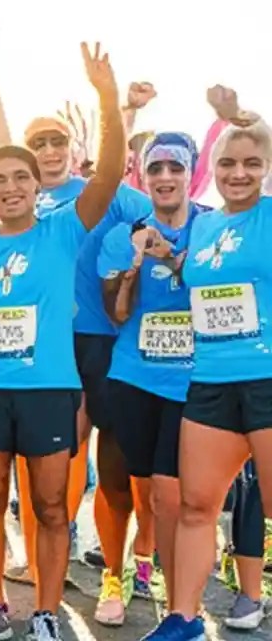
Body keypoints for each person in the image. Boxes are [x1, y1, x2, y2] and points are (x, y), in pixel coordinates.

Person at [0, 41, 126, 641]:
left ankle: (45, 612)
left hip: (48, 387)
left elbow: (110, 172)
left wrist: (107, 100)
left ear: (37, 186)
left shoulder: (63, 230)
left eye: (22, 177)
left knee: (50, 508)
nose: (12, 186)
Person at [143, 89, 272, 641]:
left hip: (267, 378)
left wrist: (242, 119)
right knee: (196, 505)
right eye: (227, 162)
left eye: (251, 163)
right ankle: (184, 619)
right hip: (212, 381)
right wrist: (169, 257)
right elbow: (203, 282)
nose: (238, 173)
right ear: (211, 170)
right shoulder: (207, 226)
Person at [95, 131, 203, 623]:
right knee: (131, 486)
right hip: (133, 377)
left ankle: (182, 611)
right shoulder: (124, 234)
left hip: (193, 383)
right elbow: (117, 315)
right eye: (155, 169)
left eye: (174, 168)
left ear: (190, 173)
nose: (164, 178)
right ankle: (133, 570)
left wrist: (172, 257)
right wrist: (132, 273)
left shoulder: (213, 228)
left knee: (171, 495)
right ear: (142, 176)